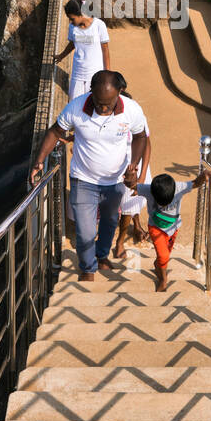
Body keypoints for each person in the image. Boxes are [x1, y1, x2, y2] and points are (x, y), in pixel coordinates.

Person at [30, 70, 148, 280]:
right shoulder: (76, 107)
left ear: (120, 92)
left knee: (110, 223)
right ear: (91, 91)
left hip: (115, 181)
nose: (103, 108)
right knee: (85, 233)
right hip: (83, 179)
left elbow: (140, 137)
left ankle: (102, 256)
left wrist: (133, 166)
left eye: (108, 104)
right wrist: (39, 160)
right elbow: (55, 132)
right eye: (98, 102)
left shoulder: (132, 110)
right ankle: (87, 267)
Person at [135, 167, 211, 291]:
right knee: (164, 255)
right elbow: (133, 186)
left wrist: (204, 175)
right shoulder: (148, 189)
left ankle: (158, 264)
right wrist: (130, 177)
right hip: (155, 228)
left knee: (165, 254)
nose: (163, 206)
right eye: (160, 203)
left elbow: (195, 183)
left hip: (174, 228)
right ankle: (164, 280)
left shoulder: (179, 187)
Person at [113, 92, 150, 259]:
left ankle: (120, 241)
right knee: (125, 203)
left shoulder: (136, 116)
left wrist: (141, 176)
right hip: (115, 168)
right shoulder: (109, 118)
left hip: (134, 169)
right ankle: (135, 226)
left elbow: (147, 145)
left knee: (131, 203)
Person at [53, 0, 110, 101]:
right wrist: (61, 56)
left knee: (94, 104)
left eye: (72, 18)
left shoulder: (99, 25)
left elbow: (105, 50)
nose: (71, 21)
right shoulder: (72, 27)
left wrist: (108, 74)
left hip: (95, 73)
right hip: (77, 74)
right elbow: (73, 44)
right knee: (74, 102)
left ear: (81, 14)